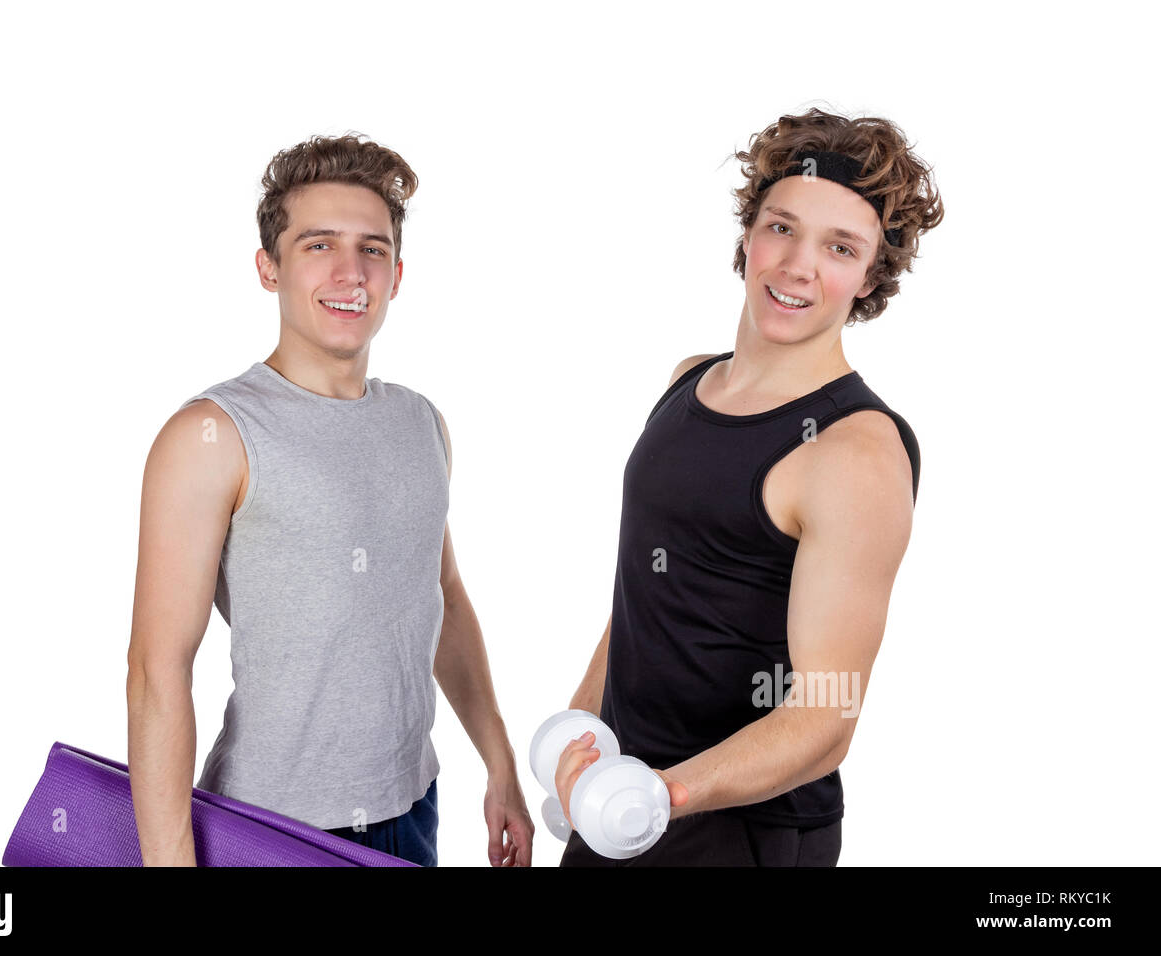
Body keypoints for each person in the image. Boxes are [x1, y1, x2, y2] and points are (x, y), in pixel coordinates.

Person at [126, 133, 534, 867]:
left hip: (412, 810)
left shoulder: (421, 422)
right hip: (270, 827)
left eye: (372, 250)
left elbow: (440, 595)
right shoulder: (212, 434)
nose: (350, 272)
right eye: (319, 245)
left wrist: (499, 763)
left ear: (398, 274)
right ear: (268, 267)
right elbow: (158, 671)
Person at [556, 107, 944, 866]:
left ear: (870, 275)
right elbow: (641, 598)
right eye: (781, 227)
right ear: (748, 232)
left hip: (741, 831)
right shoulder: (687, 381)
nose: (798, 265)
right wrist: (577, 743)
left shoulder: (856, 454)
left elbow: (825, 718)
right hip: (628, 803)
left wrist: (665, 795)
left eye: (839, 247)